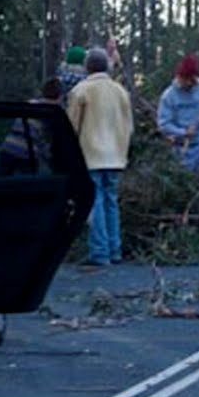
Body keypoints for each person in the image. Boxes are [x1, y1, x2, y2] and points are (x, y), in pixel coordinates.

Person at [66, 46, 133, 266]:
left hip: (91, 155)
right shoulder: (120, 91)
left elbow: (71, 126)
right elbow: (129, 126)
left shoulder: (81, 90)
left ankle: (100, 253)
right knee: (111, 201)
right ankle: (115, 249)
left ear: (87, 66)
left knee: (95, 203)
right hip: (116, 155)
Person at [157, 53, 199, 179]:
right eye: (187, 79)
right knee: (185, 179)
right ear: (180, 77)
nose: (190, 83)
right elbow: (163, 125)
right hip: (182, 147)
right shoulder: (169, 96)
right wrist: (183, 132)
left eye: (193, 80)